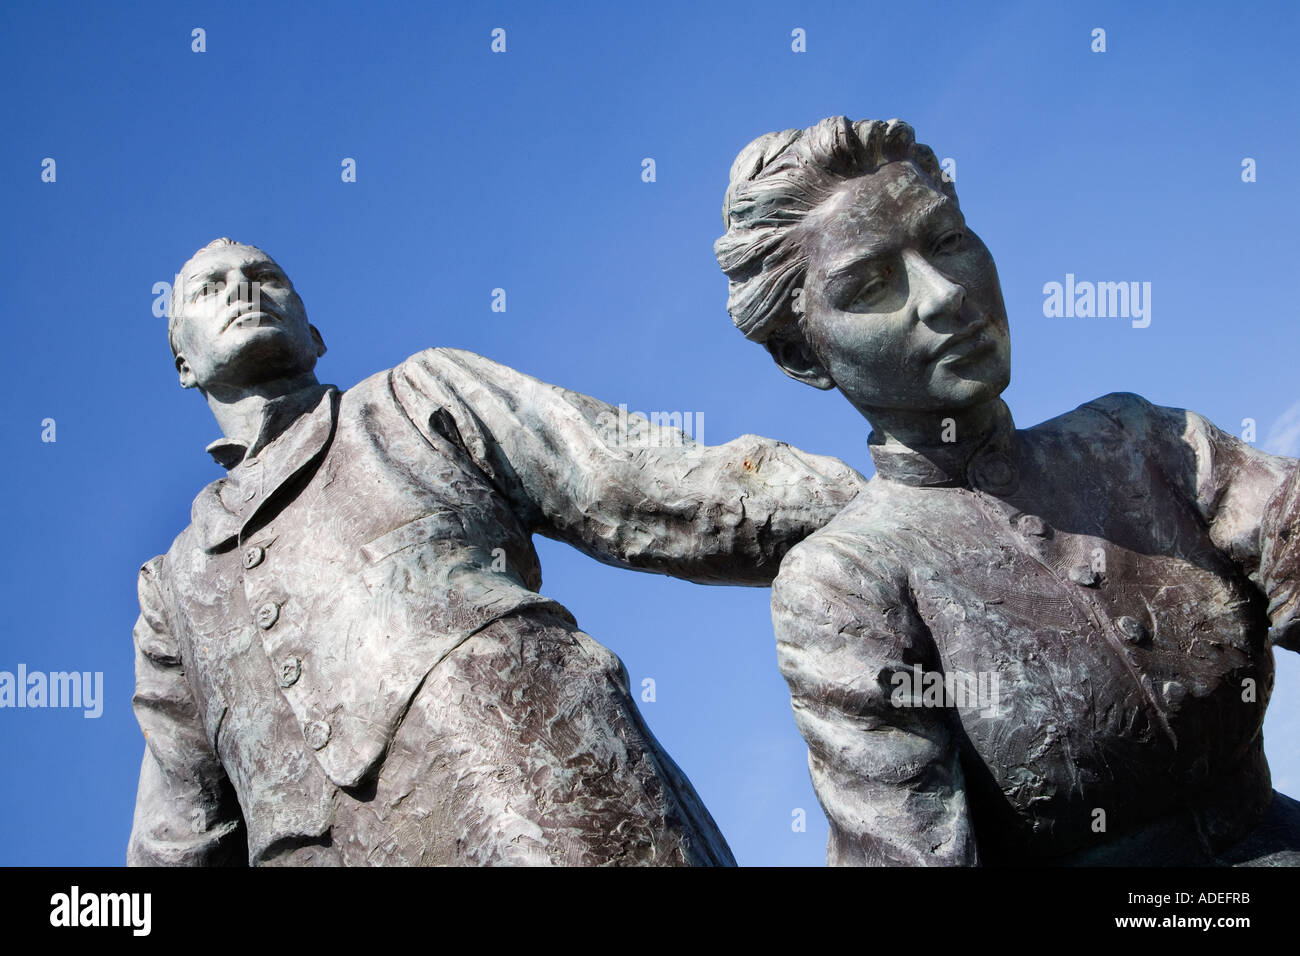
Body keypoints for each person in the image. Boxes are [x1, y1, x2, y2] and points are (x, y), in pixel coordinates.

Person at [127, 237, 865, 866]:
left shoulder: (416, 396)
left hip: (545, 792)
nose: (244, 292)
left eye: (265, 278)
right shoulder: (173, 586)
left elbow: (636, 480)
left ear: (316, 336)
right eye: (209, 288)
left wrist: (879, 504)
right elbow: (178, 829)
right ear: (183, 364)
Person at [714, 116, 1300, 865]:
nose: (944, 295)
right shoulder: (844, 584)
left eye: (949, 241)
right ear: (803, 355)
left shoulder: (1136, 437)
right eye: (870, 284)